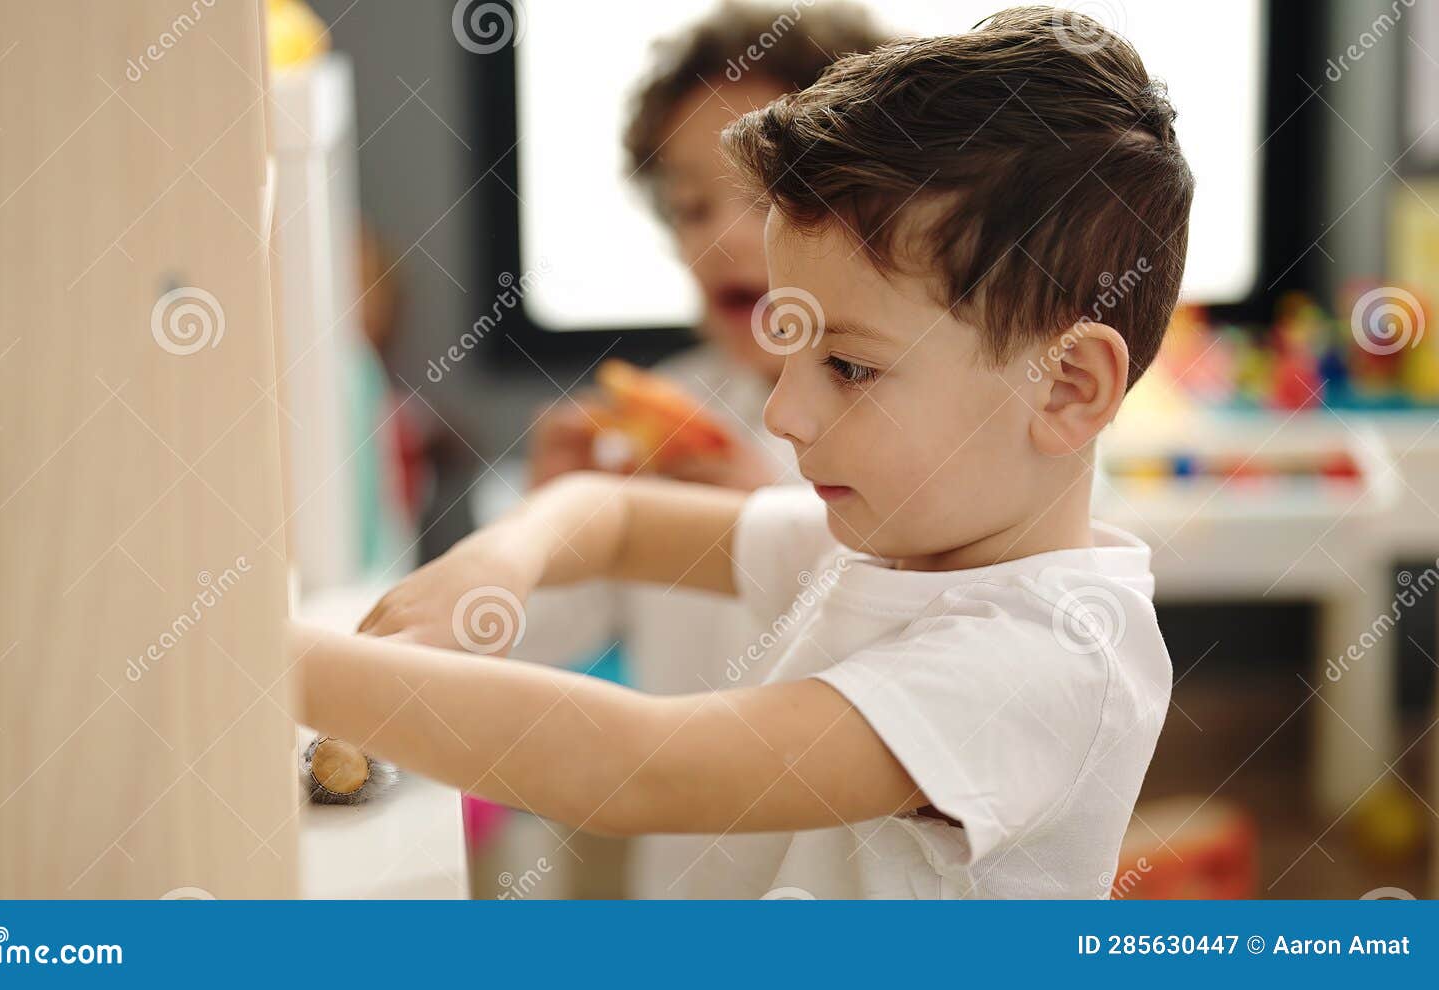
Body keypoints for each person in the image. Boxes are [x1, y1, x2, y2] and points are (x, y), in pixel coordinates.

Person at [297, 6, 1194, 898]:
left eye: (847, 366)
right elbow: (612, 518)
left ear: (1068, 386)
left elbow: (638, 766)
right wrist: (500, 559)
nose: (785, 411)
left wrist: (276, 662)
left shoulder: (1043, 658)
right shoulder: (891, 546)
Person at [508, 1, 889, 898]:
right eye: (688, 203)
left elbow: (941, 669)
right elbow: (532, 662)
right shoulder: (668, 415)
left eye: (766, 199)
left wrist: (777, 517)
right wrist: (549, 530)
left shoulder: (927, 422)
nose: (718, 239)